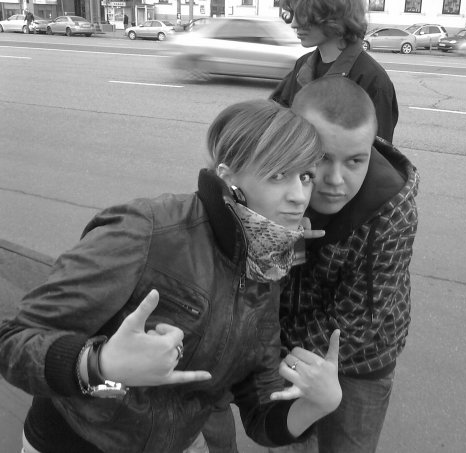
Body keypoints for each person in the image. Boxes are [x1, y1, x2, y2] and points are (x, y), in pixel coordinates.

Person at [0, 99, 343, 453]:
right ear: (228, 177)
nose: (299, 196)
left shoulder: (268, 259)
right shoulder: (148, 230)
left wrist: (316, 405)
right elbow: (13, 342)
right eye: (278, 175)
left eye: (305, 176)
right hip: (73, 442)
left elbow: (259, 410)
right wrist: (101, 365)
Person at [270, 76, 419, 452]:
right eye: (321, 158)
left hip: (359, 363)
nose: (336, 181)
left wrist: (275, 355)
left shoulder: (390, 211)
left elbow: (356, 321)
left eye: (355, 161)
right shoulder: (268, 185)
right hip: (287, 348)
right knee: (289, 440)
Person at [270, 0, 398, 143]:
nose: (294, 24)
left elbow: (378, 151)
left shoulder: (372, 79)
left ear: (337, 17)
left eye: (304, 15)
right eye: (294, 14)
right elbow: (277, 123)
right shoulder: (302, 65)